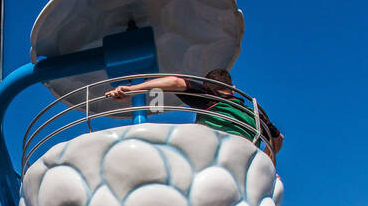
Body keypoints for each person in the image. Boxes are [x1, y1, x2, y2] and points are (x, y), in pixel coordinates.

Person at [106, 68, 283, 159]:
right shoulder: (254, 113)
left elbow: (175, 81)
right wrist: (265, 161)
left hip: (215, 154)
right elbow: (278, 138)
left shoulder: (211, 97)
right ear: (233, 88)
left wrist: (133, 89)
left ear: (208, 86)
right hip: (247, 157)